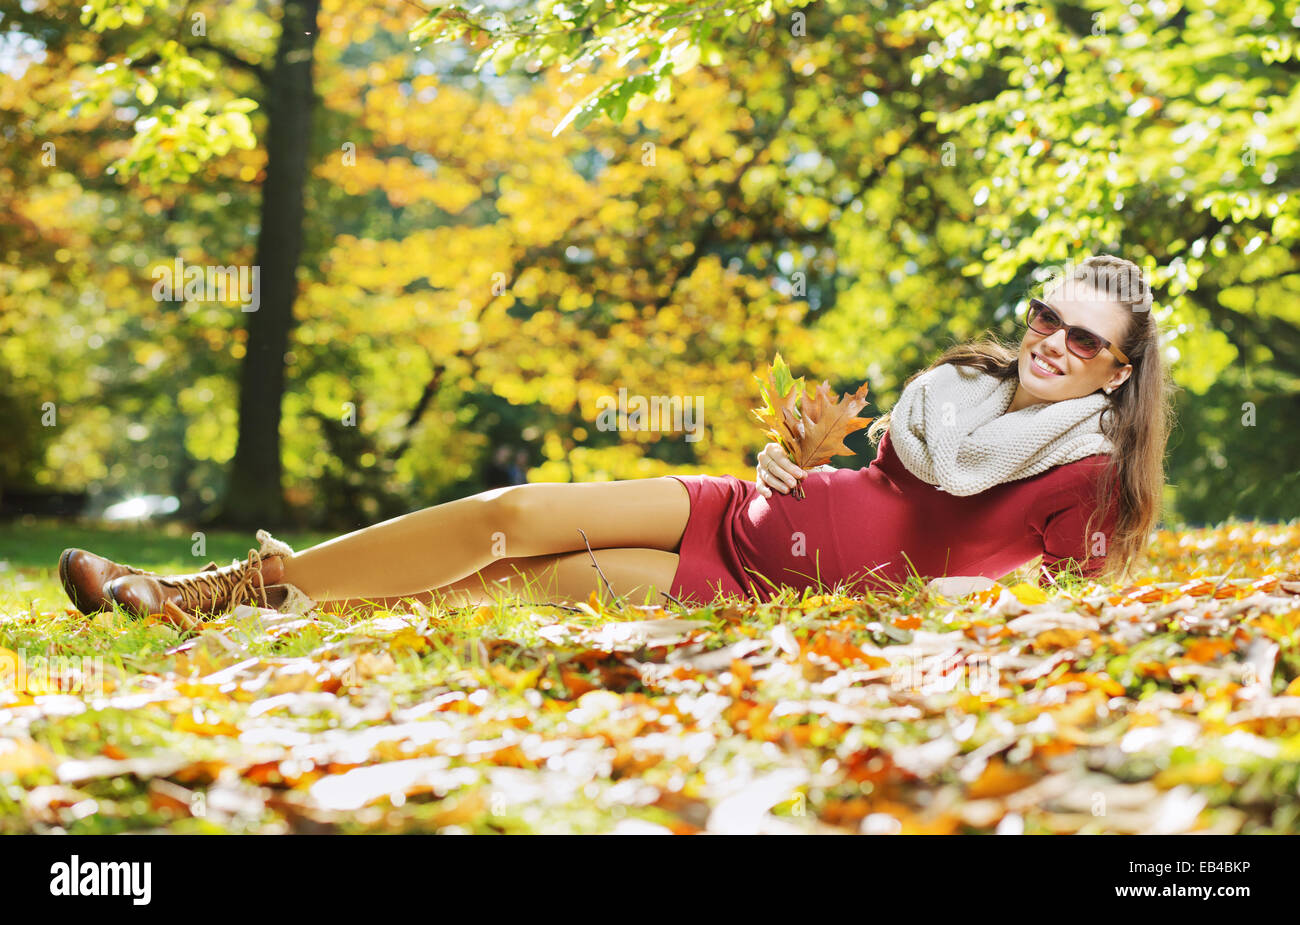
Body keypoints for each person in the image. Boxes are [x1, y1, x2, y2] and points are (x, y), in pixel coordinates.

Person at [58, 255, 1172, 621]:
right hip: (735, 508)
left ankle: (217, 622)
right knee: (512, 515)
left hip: (761, 596)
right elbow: (877, 483)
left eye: (1083, 339)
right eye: (1045, 315)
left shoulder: (1085, 476)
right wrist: (801, 457)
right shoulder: (959, 385)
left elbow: (1052, 601)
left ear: (1117, 370)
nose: (1052, 341)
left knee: (531, 581)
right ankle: (216, 591)